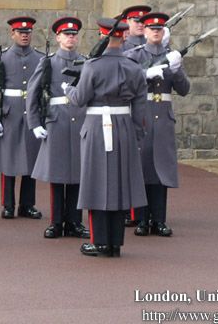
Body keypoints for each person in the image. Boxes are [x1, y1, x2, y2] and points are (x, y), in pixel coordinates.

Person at [64, 17, 149, 257]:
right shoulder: (133, 67)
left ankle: (98, 240)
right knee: (119, 184)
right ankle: (114, 242)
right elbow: (140, 108)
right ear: (122, 38)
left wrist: (67, 89)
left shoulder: (93, 65)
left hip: (97, 127)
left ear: (102, 36)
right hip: (123, 127)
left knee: (95, 183)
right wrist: (137, 134)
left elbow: (80, 99)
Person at [125, 12, 190, 237]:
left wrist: (177, 70)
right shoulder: (133, 55)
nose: (155, 32)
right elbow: (126, 84)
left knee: (161, 169)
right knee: (142, 168)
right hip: (142, 114)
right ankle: (142, 219)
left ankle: (159, 220)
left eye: (159, 29)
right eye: (152, 28)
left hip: (162, 117)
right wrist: (144, 74)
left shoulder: (171, 55)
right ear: (144, 31)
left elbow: (184, 89)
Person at [25, 16, 90, 240]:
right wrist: (34, 123)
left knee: (77, 174)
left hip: (80, 121)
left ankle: (74, 221)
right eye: (66, 35)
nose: (71, 38)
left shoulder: (86, 62)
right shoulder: (49, 62)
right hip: (57, 121)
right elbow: (33, 94)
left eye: (74, 35)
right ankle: (56, 222)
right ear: (58, 37)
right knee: (57, 174)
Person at [0, 16, 45, 220]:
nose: (24, 36)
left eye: (28, 33)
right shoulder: (2, 58)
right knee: (8, 161)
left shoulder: (40, 58)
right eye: (21, 33)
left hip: (32, 112)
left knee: (31, 159)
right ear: (12, 34)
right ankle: (8, 204)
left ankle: (27, 204)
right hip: (9, 113)